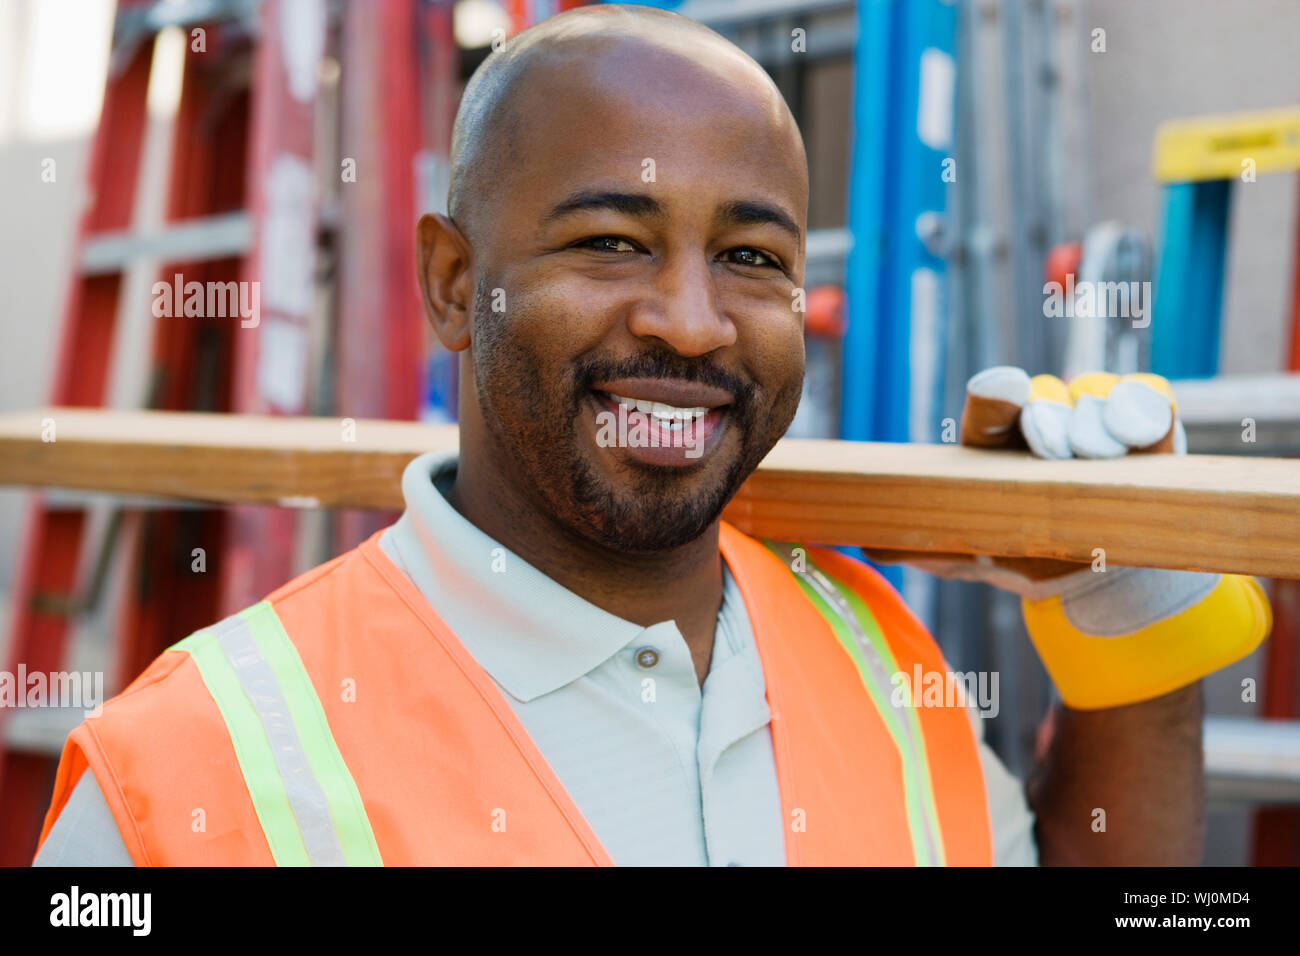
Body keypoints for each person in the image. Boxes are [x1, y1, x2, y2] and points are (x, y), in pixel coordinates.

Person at [34, 4, 1268, 867]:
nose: (689, 324)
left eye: (750, 258)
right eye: (610, 240)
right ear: (455, 284)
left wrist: (1133, 628)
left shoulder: (871, 656)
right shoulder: (186, 775)